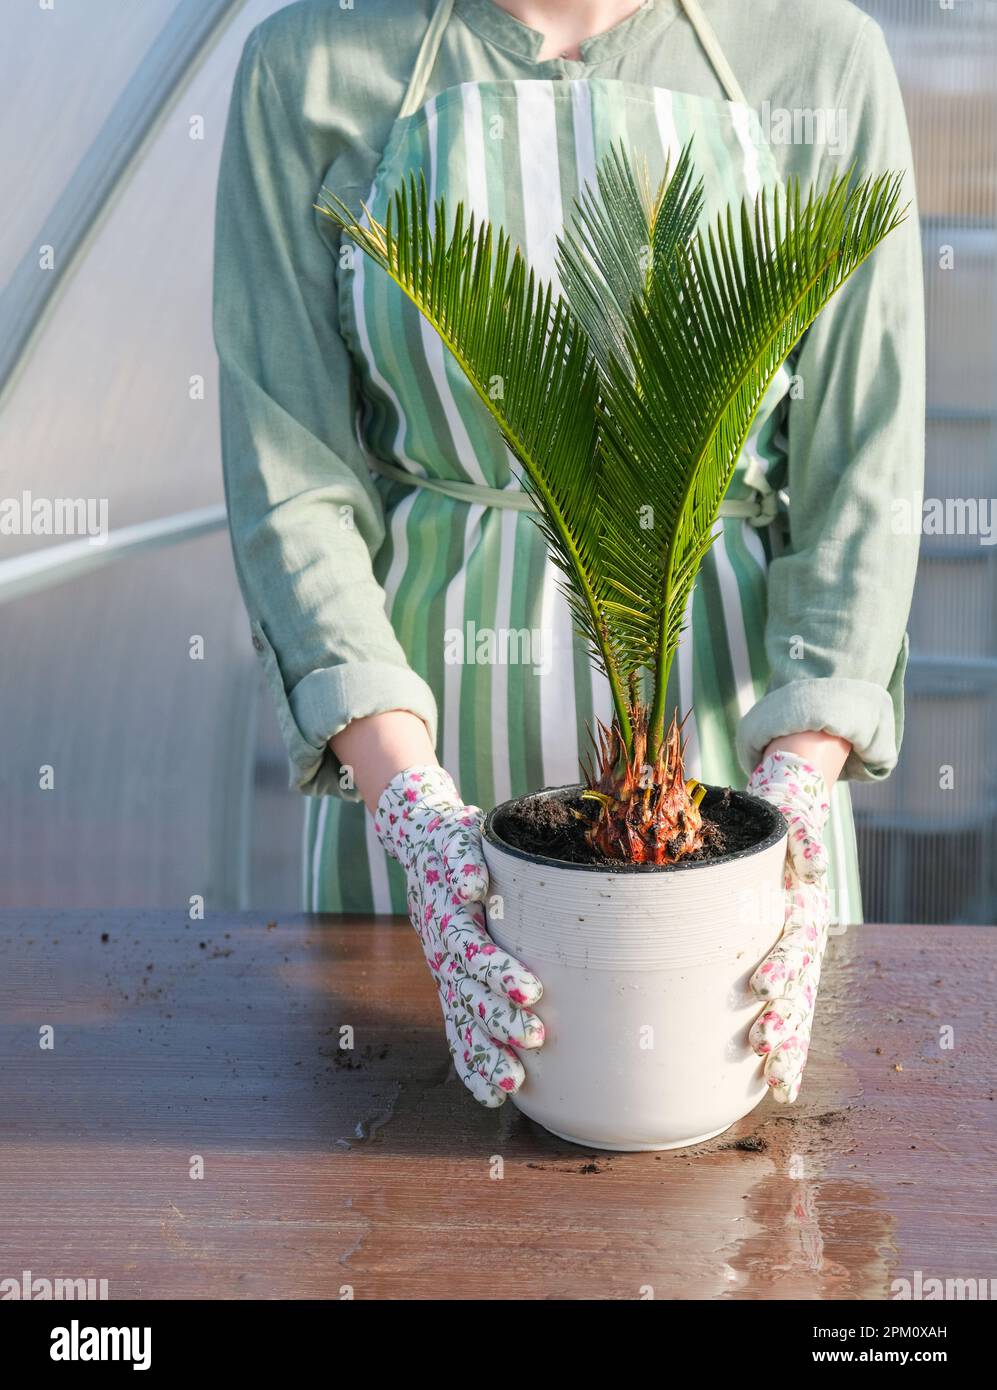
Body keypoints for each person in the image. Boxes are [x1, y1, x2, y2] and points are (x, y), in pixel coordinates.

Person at [213, 0, 924, 1108]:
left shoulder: (821, 57)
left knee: (752, 1235)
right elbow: (291, 471)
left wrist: (788, 800)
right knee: (395, 1223)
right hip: (410, 764)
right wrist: (423, 825)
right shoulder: (307, 66)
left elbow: (860, 476)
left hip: (737, 777)